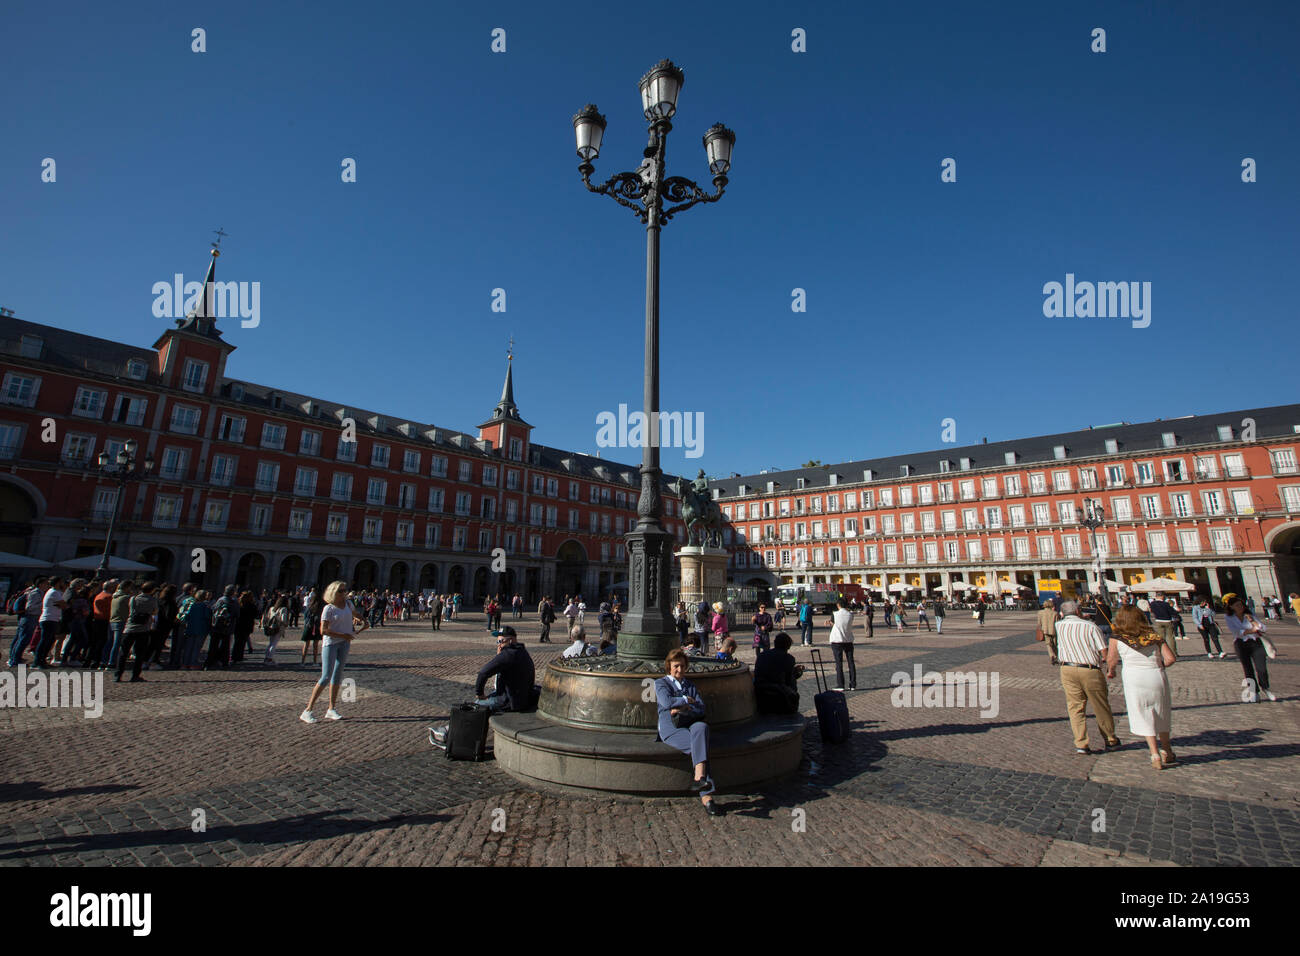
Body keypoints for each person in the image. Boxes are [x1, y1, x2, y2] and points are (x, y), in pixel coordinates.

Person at [1106, 605, 1177, 770]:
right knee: (1162, 712)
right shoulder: (1153, 636)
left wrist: (1111, 671)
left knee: (1143, 713)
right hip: (1156, 675)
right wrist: (1159, 665)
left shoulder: (1117, 637)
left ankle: (1154, 754)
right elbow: (1171, 659)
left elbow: (1111, 659)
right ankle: (1167, 749)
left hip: (1134, 678)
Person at [654, 648, 720, 816]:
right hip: (671, 728)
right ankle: (707, 798)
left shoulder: (689, 685)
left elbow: (701, 708)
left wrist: (682, 709)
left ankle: (699, 778)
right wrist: (685, 700)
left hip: (690, 723)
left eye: (683, 666)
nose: (680, 670)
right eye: (676, 666)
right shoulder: (661, 683)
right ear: (669, 666)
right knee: (700, 747)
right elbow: (666, 702)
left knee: (702, 728)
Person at [1054, 600, 1122, 754]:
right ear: (1078, 611)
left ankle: (1081, 743)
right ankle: (1110, 739)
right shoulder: (1091, 627)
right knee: (1100, 706)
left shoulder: (1058, 626)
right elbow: (1103, 652)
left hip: (1067, 669)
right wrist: (1110, 668)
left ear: (1062, 613)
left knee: (1075, 708)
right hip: (1090, 670)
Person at [300, 581, 366, 723]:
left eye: (345, 590)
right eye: (341, 591)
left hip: (344, 644)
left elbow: (355, 614)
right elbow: (323, 631)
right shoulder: (328, 609)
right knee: (325, 677)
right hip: (330, 644)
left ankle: (331, 708)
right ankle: (308, 710)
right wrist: (343, 635)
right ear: (333, 593)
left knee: (337, 676)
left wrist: (364, 620)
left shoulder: (348, 604)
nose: (344, 593)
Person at [1224, 597, 1276, 702]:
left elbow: (1263, 628)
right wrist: (1252, 630)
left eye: (1241, 605)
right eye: (1237, 605)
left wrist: (1252, 622)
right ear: (1231, 607)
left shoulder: (1249, 615)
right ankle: (1254, 692)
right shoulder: (1229, 617)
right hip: (1241, 644)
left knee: (1262, 668)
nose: (1240, 607)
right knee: (1248, 669)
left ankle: (1265, 688)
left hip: (1256, 642)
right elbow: (1236, 632)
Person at [473, 626, 535, 713]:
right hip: (524, 698)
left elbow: (483, 673)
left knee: (477, 705)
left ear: (510, 640)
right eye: (497, 642)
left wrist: (479, 694)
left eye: (500, 641)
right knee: (492, 695)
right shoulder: (522, 651)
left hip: (511, 701)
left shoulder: (508, 654)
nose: (499, 645)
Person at [117, 580, 158, 683]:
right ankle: (135, 675)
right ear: (152, 590)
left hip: (129, 628)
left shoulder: (133, 599)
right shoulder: (153, 600)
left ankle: (118, 675)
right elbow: (155, 612)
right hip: (143, 629)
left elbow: (131, 610)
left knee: (123, 653)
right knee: (139, 654)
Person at [753, 631, 804, 714]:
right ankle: (792, 713)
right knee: (794, 694)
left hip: (759, 692)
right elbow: (788, 681)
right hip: (777, 694)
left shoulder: (762, 655)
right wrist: (795, 675)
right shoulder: (788, 658)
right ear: (788, 646)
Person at [7, 577, 46, 667]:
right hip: (29, 618)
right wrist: (43, 603)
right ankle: (15, 660)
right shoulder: (35, 593)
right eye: (45, 583)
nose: (47, 585)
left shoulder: (34, 592)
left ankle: (14, 659)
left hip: (28, 618)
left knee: (20, 639)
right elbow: (29, 608)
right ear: (40, 584)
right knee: (23, 640)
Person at [31, 576, 68, 669]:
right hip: (49, 619)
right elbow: (64, 605)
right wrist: (62, 604)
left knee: (49, 641)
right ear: (58, 583)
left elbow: (62, 604)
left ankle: (42, 660)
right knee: (45, 641)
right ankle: (37, 662)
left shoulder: (55, 592)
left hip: (52, 619)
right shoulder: (54, 592)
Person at [828, 598, 857, 692]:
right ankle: (853, 684)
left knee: (839, 663)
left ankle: (840, 684)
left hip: (837, 640)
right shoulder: (850, 615)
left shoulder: (835, 613)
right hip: (848, 640)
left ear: (838, 605)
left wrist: (829, 622)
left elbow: (834, 623)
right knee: (851, 662)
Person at [262, 596, 289, 663]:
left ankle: (267, 657)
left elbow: (268, 617)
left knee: (271, 643)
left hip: (271, 627)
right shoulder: (284, 609)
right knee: (274, 643)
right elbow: (283, 620)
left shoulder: (272, 608)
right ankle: (269, 658)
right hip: (278, 628)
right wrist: (285, 624)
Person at [300, 589, 324, 666]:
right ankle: (314, 662)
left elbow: (305, 617)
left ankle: (302, 662)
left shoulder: (309, 606)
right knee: (315, 645)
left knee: (306, 645)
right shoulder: (320, 608)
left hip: (308, 626)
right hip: (316, 628)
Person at [1037, 600, 1060, 665]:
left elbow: (1039, 623)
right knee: (1055, 644)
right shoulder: (1055, 613)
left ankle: (1052, 656)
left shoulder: (1040, 612)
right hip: (1053, 630)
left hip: (1045, 630)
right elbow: (1057, 622)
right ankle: (1056, 656)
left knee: (1048, 644)